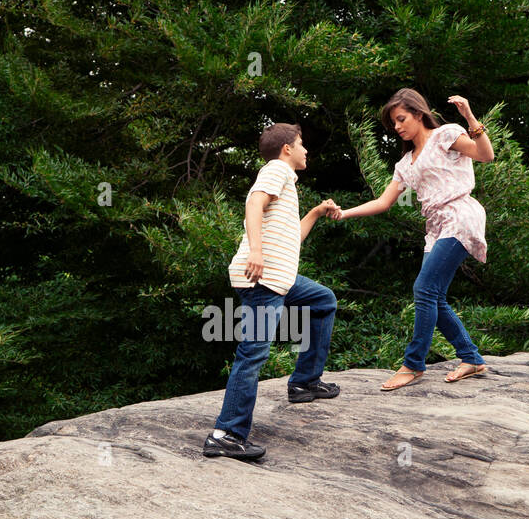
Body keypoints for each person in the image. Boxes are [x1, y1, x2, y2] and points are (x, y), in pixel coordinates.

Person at [337, 88, 495, 390]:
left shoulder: (446, 135)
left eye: (401, 119)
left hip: (460, 216)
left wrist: (470, 117)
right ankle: (471, 358)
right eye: (393, 124)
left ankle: (413, 365)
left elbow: (485, 155)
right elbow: (383, 202)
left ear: (418, 114)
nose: (397, 127)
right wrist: (344, 213)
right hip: (435, 228)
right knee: (433, 295)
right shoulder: (406, 163)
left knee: (423, 288)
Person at [204, 123, 340, 461]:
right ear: (286, 149)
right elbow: (253, 203)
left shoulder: (287, 184)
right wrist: (256, 250)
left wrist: (315, 213)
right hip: (261, 278)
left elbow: (293, 238)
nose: (306, 150)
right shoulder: (277, 169)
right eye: (301, 143)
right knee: (252, 355)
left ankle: (304, 383)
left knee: (323, 301)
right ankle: (227, 434)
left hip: (279, 278)